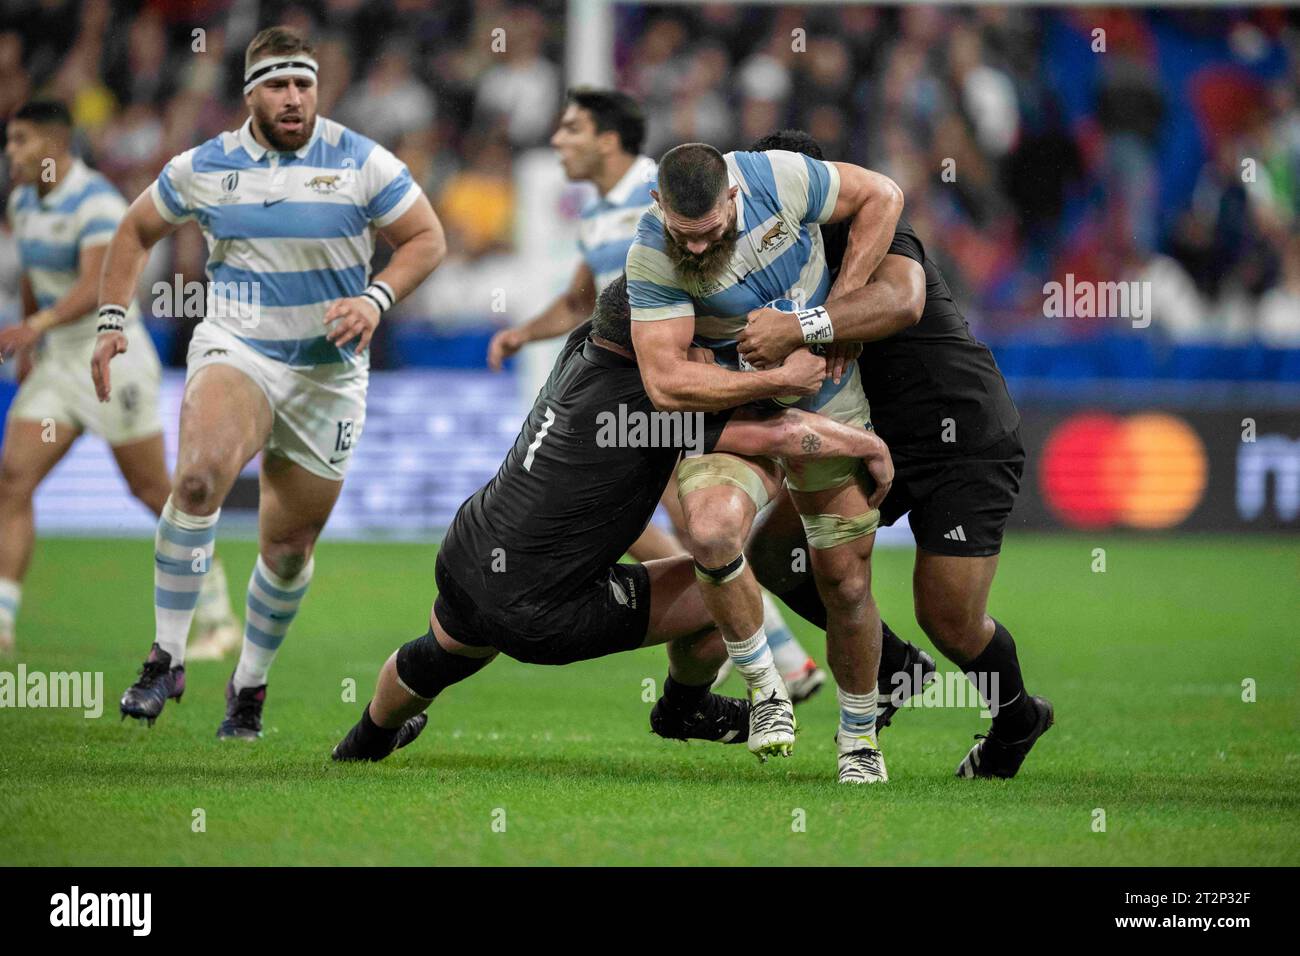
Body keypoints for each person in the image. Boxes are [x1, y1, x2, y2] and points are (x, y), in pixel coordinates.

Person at [333, 276, 894, 763]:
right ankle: (685, 710)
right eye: (684, 335)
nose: (694, 346)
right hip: (541, 609)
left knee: (443, 652)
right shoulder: (644, 406)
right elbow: (778, 434)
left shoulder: (584, 346)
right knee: (723, 586)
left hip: (468, 550)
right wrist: (862, 440)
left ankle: (364, 741)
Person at [91, 26, 446, 738]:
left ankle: (248, 685)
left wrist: (375, 299)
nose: (293, 99)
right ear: (250, 92)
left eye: (304, 84)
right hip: (239, 348)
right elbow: (133, 232)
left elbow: (426, 238)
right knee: (197, 482)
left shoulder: (360, 160)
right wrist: (109, 319)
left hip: (328, 375)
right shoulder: (206, 164)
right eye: (279, 85)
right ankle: (166, 655)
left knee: (287, 551)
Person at [486, 88, 826, 701]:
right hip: (639, 390)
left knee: (689, 530)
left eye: (572, 129)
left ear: (609, 139)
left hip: (690, 383)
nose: (558, 140)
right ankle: (775, 653)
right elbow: (579, 303)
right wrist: (522, 333)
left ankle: (772, 657)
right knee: (674, 529)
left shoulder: (674, 192)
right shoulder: (595, 217)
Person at [741, 129, 1053, 779]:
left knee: (950, 620)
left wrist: (809, 326)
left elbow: (905, 300)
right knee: (775, 550)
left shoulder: (872, 227)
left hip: (961, 435)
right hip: (871, 439)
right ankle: (895, 669)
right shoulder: (771, 261)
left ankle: (1017, 716)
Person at [625, 142, 904, 783]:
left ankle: (859, 739)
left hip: (832, 398)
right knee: (711, 531)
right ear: (657, 205)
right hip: (737, 418)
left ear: (733, 198)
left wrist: (831, 320)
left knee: (847, 583)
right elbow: (666, 384)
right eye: (681, 234)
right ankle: (766, 688)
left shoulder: (776, 176)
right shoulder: (650, 253)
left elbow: (883, 193)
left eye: (708, 233)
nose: (694, 249)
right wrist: (774, 376)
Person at [0, 100, 237, 658]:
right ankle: (4, 620)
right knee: (12, 479)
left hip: (112, 354)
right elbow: (38, 275)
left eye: (21, 141)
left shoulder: (97, 202)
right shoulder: (24, 201)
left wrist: (35, 325)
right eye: (10, 142)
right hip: (59, 361)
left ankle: (219, 616)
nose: (11, 152)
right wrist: (37, 344)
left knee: (154, 491)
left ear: (56, 147)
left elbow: (98, 284)